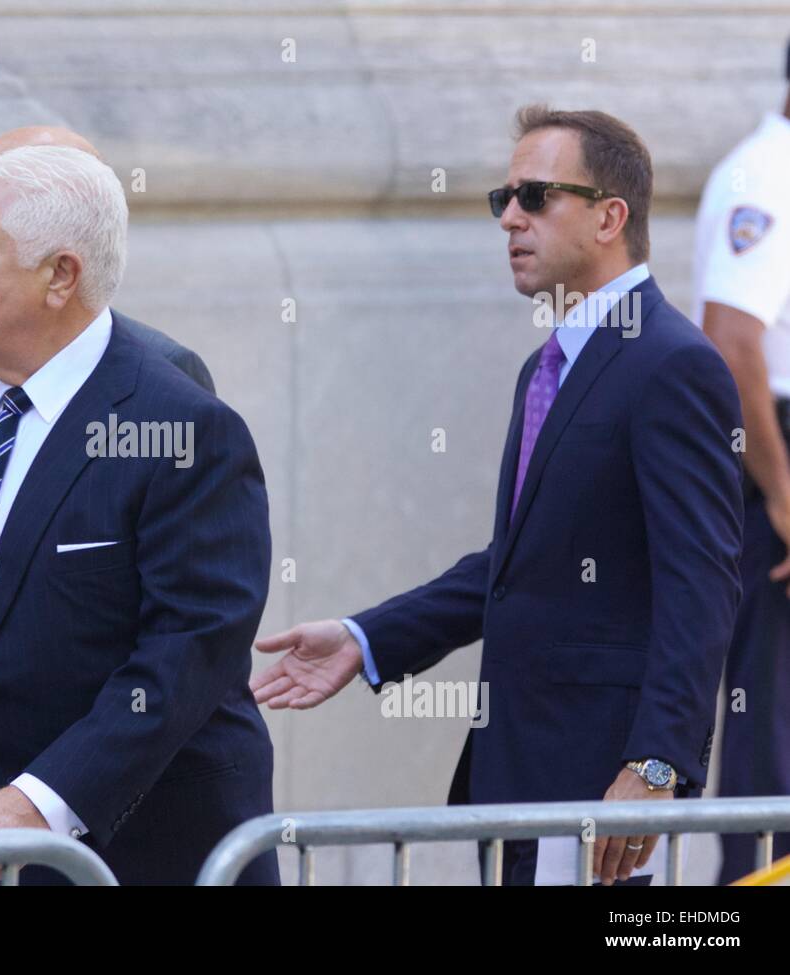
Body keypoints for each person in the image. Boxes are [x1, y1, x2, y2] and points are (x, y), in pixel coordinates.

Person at [251, 106, 744, 886]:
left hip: (600, 793)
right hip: (520, 776)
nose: (509, 217)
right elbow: (514, 566)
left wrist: (655, 764)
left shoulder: (673, 365)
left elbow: (704, 583)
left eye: (537, 196)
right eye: (502, 199)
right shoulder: (547, 367)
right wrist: (366, 638)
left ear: (610, 216)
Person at [0, 143, 275, 885]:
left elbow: (190, 650)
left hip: (125, 856)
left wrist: (43, 799)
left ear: (61, 275)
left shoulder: (180, 427)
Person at [694, 41, 790, 884]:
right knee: (776, 723)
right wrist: (786, 496)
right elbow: (731, 340)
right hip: (777, 453)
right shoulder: (767, 176)